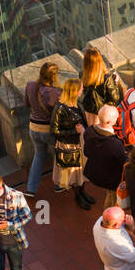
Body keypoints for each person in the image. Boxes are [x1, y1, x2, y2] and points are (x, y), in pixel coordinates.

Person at [51, 78, 94, 208]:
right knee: (74, 173)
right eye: (80, 88)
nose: (82, 90)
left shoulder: (76, 103)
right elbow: (54, 131)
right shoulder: (59, 109)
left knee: (81, 170)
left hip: (79, 141)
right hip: (69, 145)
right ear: (74, 91)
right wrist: (73, 131)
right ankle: (78, 196)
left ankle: (82, 192)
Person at [24, 61, 60, 197]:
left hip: (33, 128)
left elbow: (26, 104)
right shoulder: (54, 92)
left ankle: (31, 189)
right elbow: (56, 111)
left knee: (38, 156)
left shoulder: (30, 85)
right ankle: (58, 184)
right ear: (54, 77)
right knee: (58, 154)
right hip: (48, 130)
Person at [82, 105, 129, 210]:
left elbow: (86, 152)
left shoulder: (89, 131)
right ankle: (109, 220)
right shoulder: (114, 143)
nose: (117, 120)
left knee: (110, 195)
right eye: (116, 119)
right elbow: (123, 162)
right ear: (109, 122)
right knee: (113, 199)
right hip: (111, 178)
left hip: (96, 172)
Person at [79, 47, 124, 123]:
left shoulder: (82, 74)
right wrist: (115, 83)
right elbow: (115, 98)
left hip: (88, 110)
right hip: (102, 112)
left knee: (91, 130)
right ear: (100, 60)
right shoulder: (106, 78)